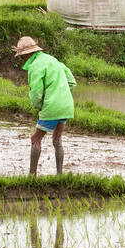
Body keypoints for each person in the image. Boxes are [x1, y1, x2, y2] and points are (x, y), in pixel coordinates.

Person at [12, 36, 76, 176]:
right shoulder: (52, 59)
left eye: (21, 56)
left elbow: (36, 92)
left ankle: (31, 176)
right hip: (66, 105)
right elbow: (71, 81)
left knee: (35, 139)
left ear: (26, 54)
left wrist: (39, 105)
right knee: (57, 140)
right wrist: (61, 94)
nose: (21, 60)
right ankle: (59, 176)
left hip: (52, 107)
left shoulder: (35, 66)